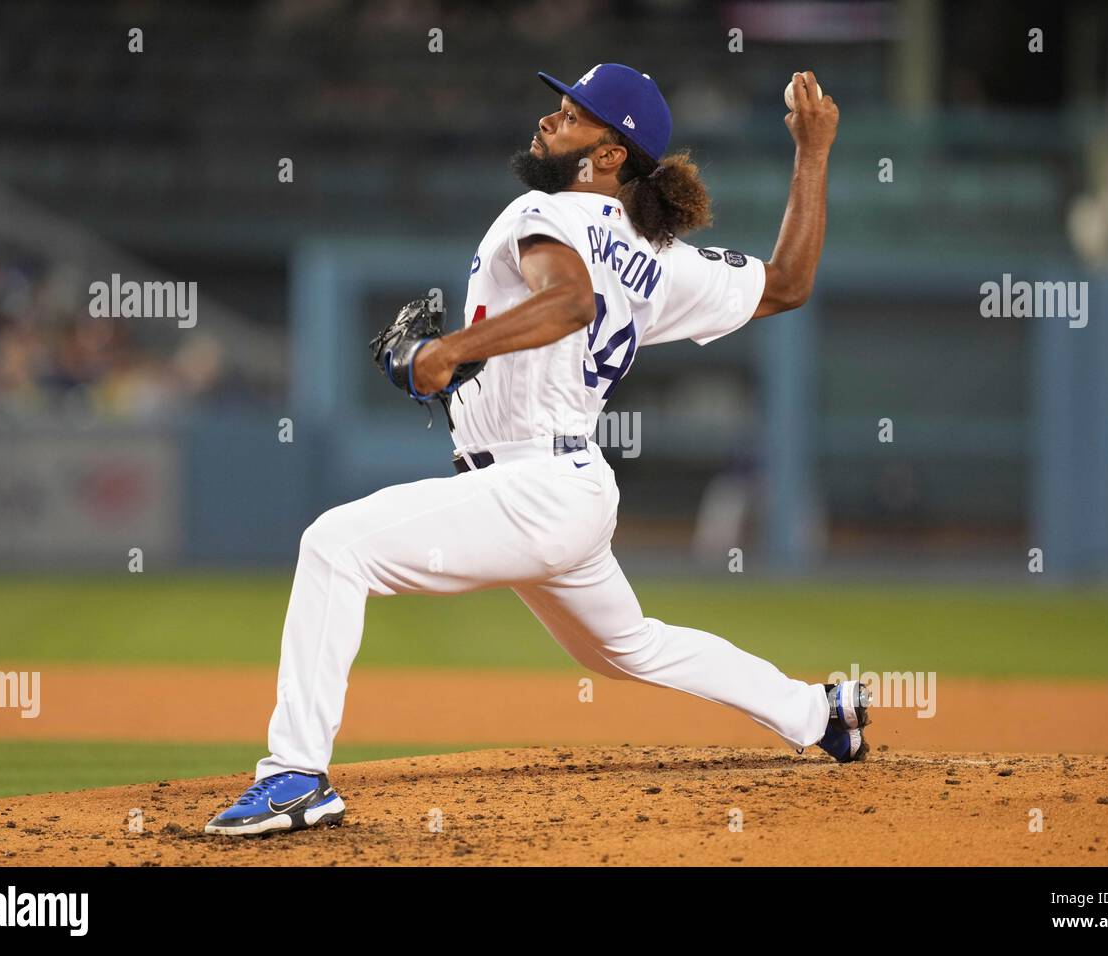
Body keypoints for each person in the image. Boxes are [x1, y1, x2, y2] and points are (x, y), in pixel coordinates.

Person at [205, 63, 867, 836]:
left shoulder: (543, 210)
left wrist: (449, 350)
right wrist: (814, 153)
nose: (550, 121)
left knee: (333, 546)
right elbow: (788, 282)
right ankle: (816, 713)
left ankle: (295, 777)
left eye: (572, 114)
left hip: (535, 483)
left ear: (612, 153)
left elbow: (571, 300)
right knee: (628, 647)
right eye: (557, 107)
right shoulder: (659, 257)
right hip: (570, 486)